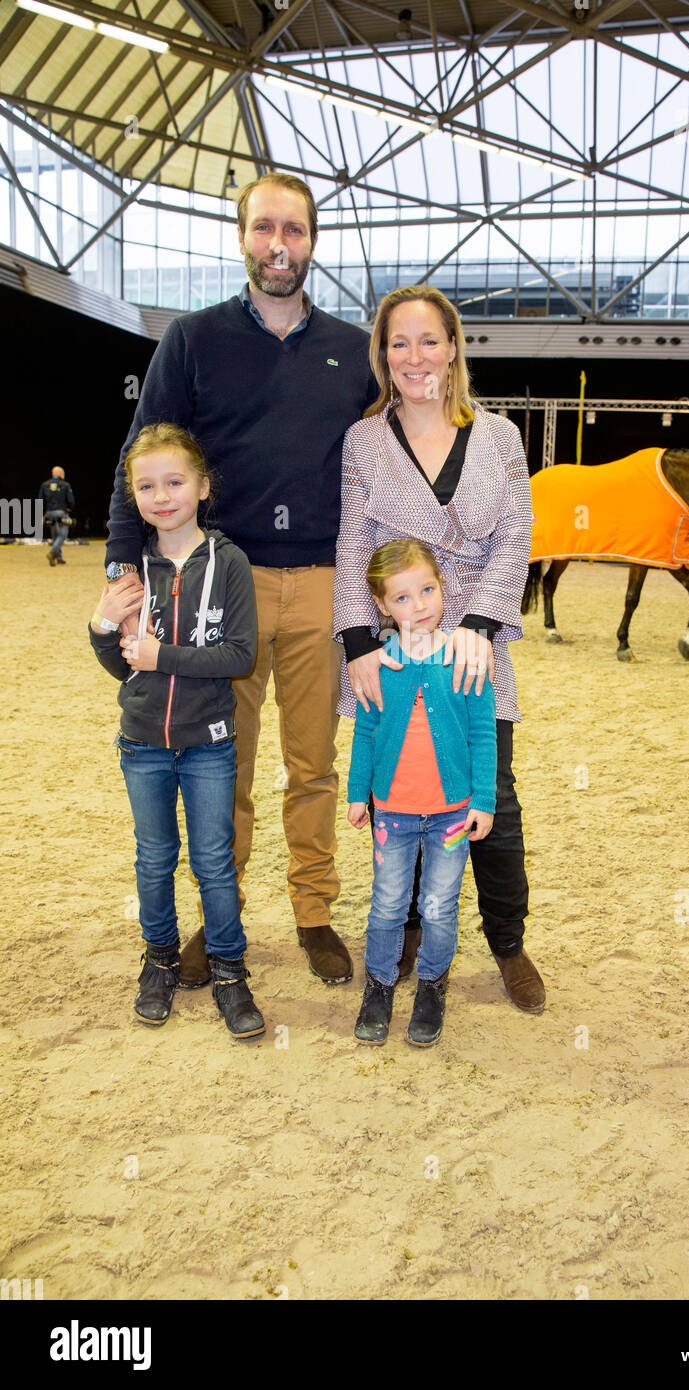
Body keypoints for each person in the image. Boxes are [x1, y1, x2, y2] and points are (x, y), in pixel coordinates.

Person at [104, 173, 378, 991]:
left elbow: (382, 470)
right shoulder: (191, 340)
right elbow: (140, 453)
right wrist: (124, 566)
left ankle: (314, 911)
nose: (279, 245)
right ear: (242, 237)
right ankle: (218, 918)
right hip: (226, 583)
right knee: (225, 761)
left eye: (293, 230)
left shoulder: (353, 351)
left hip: (325, 582)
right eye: (264, 228)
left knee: (315, 762)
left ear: (312, 241)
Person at [334, 284, 545, 1014]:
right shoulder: (363, 441)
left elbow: (516, 537)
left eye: (429, 340)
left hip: (473, 646)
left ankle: (508, 942)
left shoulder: (503, 438)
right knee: (401, 789)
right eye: (399, 343)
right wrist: (360, 643)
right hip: (394, 645)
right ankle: (413, 932)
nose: (415, 356)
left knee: (494, 803)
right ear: (382, 355)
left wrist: (478, 628)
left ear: (453, 347)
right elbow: (354, 541)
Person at [90, 424, 264, 1037]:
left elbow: (240, 656)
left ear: (202, 486)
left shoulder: (231, 562)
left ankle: (228, 970)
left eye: (174, 481)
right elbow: (121, 666)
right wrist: (101, 625)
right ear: (133, 495)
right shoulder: (129, 569)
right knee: (155, 858)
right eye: (146, 486)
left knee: (214, 861)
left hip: (209, 742)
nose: (161, 496)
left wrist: (163, 655)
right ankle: (159, 960)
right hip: (142, 742)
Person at [347, 539, 497, 1046]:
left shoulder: (464, 656)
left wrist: (483, 800)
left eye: (427, 590)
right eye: (403, 598)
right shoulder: (378, 664)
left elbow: (482, 732)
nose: (419, 606)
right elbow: (365, 732)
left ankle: (432, 983)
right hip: (392, 811)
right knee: (388, 904)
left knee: (439, 904)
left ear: (443, 585)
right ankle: (380, 984)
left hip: (452, 815)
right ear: (384, 607)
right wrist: (356, 793)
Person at [39, 466, 75, 565]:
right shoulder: (65, 485)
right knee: (63, 535)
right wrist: (69, 508)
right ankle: (52, 552)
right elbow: (71, 501)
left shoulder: (45, 484)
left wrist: (45, 512)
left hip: (50, 513)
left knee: (55, 535)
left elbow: (40, 500)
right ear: (60, 474)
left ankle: (58, 558)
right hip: (61, 513)